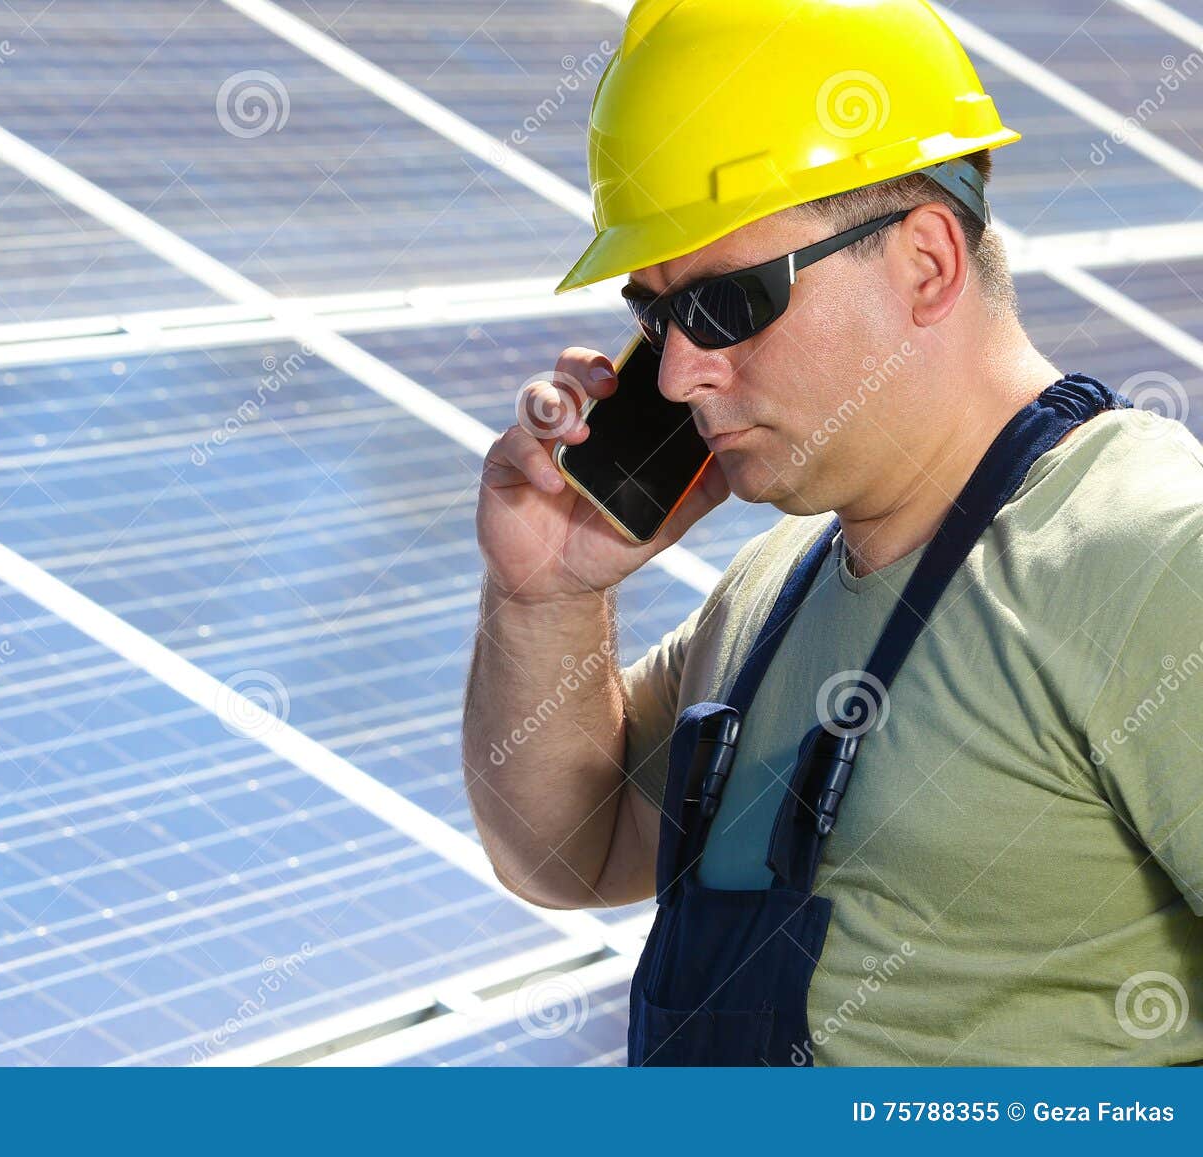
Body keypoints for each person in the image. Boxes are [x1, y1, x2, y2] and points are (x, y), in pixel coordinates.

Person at [463, 0, 1203, 1065]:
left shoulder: (1153, 560)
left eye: (726, 303)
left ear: (927, 263)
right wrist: (549, 595)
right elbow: (570, 855)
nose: (676, 372)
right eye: (656, 313)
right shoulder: (769, 592)